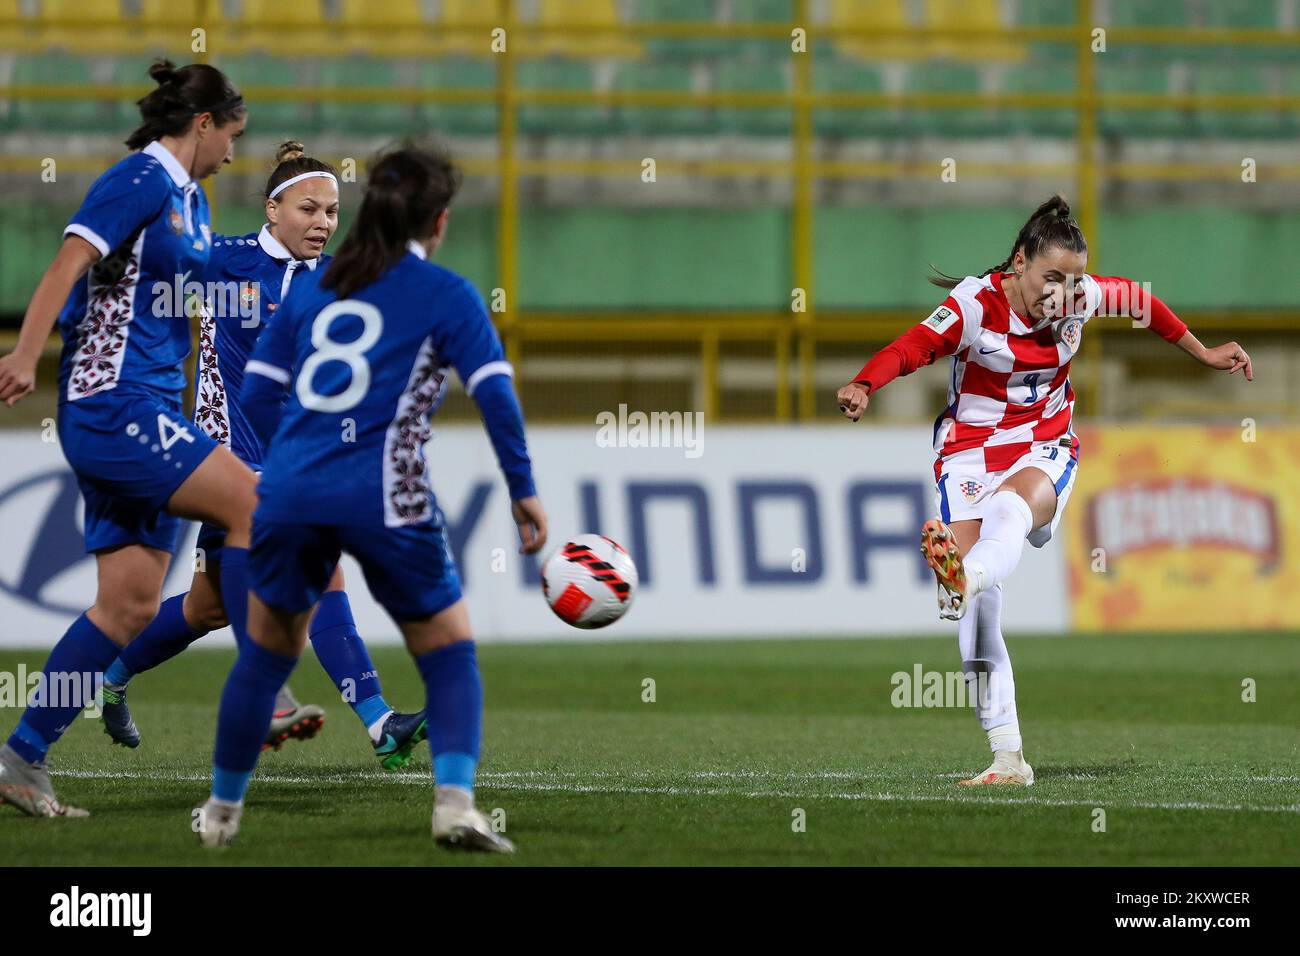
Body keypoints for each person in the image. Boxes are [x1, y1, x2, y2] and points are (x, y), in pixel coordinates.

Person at [195, 143, 547, 852]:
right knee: (447, 649)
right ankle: (452, 806)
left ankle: (220, 816)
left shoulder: (313, 291)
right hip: (388, 495)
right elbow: (496, 397)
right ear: (439, 221)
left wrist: (294, 456)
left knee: (265, 656)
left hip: (291, 492)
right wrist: (524, 491)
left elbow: (259, 393)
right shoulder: (447, 294)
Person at [837, 195, 1254, 788]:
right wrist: (864, 383)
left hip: (1044, 443)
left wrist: (1204, 352)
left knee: (1011, 512)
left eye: (1074, 279)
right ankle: (1008, 758)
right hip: (970, 452)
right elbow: (911, 348)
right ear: (1017, 266)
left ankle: (966, 573)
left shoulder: (1080, 297)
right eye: (1050, 277)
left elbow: (1145, 304)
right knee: (977, 614)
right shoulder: (973, 307)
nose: (1063, 291)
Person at [98, 141, 428, 769]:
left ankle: (106, 676)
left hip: (297, 458)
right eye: (309, 209)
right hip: (223, 459)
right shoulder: (224, 260)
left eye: (332, 212)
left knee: (206, 607)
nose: (323, 223)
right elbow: (147, 262)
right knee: (321, 576)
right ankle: (373, 720)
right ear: (273, 210)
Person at [0, 61, 249, 817]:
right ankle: (267, 689)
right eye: (232, 134)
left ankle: (20, 758)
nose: (235, 153)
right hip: (112, 404)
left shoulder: (194, 201)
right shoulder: (141, 179)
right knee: (256, 507)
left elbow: (182, 291)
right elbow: (65, 263)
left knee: (130, 605)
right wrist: (22, 353)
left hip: (149, 405)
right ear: (202, 124)